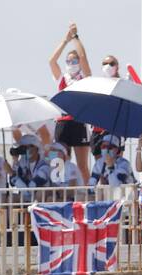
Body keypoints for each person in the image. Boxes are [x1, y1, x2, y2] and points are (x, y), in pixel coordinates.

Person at [49, 23, 93, 183]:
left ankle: (89, 194)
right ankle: (59, 193)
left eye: (74, 60)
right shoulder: (62, 79)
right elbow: (52, 61)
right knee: (59, 161)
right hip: (62, 122)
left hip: (79, 122)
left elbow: (83, 58)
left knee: (82, 165)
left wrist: (75, 38)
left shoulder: (85, 77)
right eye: (68, 61)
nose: (71, 63)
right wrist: (65, 40)